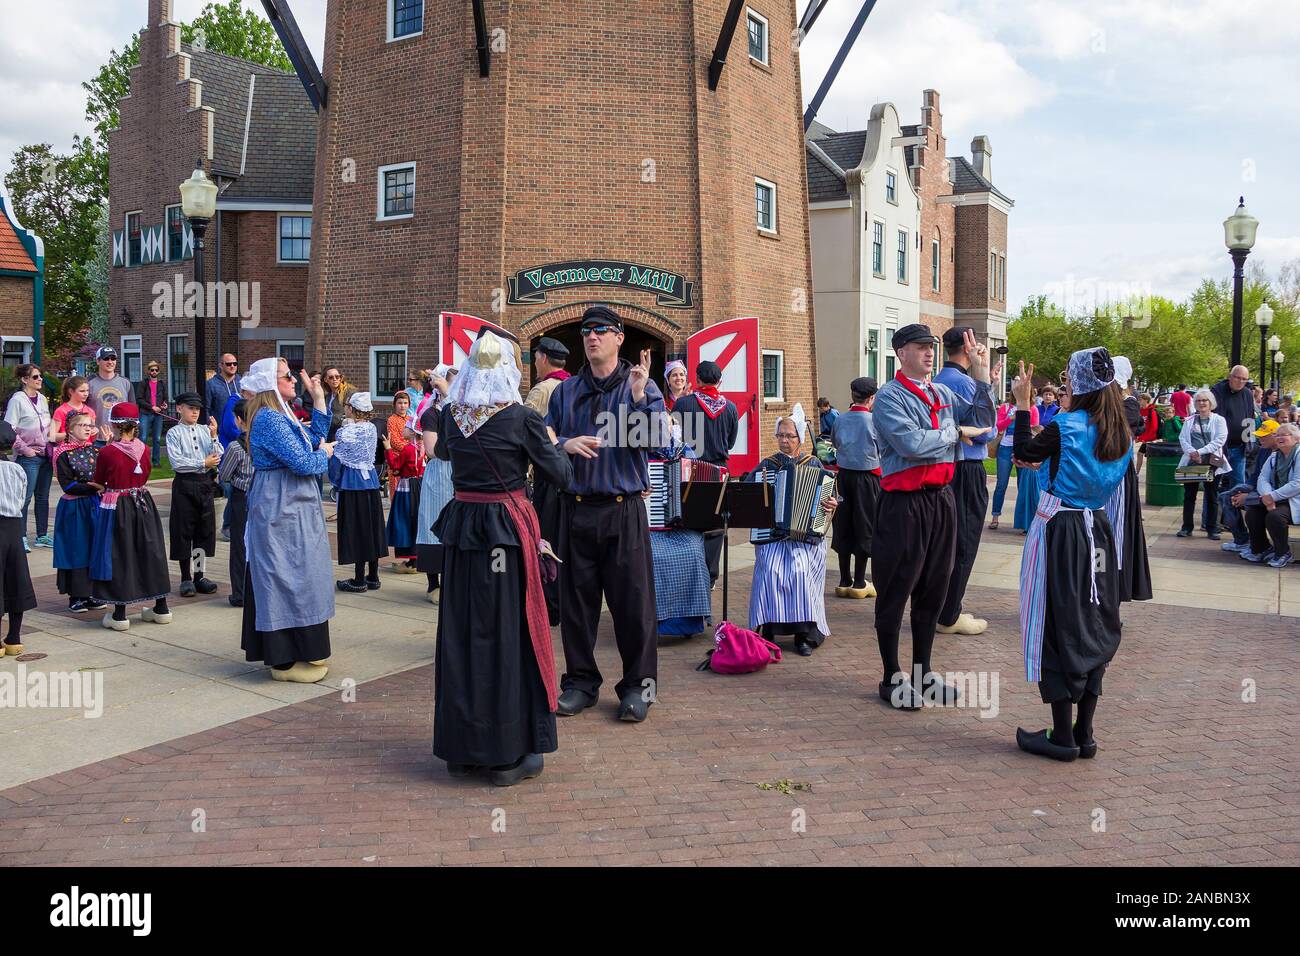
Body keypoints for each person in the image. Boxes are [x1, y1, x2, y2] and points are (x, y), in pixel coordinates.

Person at [431, 330, 573, 786]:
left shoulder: (454, 415)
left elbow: (446, 452)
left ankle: (464, 749)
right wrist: (557, 443)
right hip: (505, 534)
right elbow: (561, 474)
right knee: (509, 637)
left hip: (464, 528)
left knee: (464, 636)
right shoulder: (521, 418)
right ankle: (509, 753)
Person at [1011, 350, 1132, 762]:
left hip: (1061, 531)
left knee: (1058, 620)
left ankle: (1062, 735)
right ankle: (1085, 731)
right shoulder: (1121, 432)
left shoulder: (1066, 426)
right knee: (1095, 619)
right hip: (1097, 531)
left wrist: (1024, 404)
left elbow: (1025, 451)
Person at [546, 304, 664, 722]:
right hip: (575, 510)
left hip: (623, 509)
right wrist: (563, 444)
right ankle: (580, 683)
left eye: (600, 330)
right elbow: (543, 440)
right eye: (585, 332)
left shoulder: (641, 386)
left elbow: (659, 444)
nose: (591, 337)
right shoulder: (565, 392)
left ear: (618, 337)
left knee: (633, 606)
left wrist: (637, 400)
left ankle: (637, 687)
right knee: (576, 606)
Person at [871, 325, 996, 709]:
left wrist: (979, 377)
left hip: (942, 499)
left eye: (931, 347)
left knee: (935, 589)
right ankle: (892, 676)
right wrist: (955, 432)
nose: (929, 353)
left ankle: (924, 673)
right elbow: (910, 444)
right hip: (903, 504)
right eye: (920, 347)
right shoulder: (889, 398)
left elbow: (985, 425)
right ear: (900, 353)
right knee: (896, 589)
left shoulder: (941, 391)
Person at [242, 357, 335, 683]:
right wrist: (326, 454)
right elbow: (306, 461)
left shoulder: (283, 416)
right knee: (284, 574)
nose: (294, 381)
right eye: (286, 377)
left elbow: (313, 438)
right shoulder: (269, 419)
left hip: (293, 502)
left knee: (303, 572)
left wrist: (320, 399)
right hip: (280, 503)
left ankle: (306, 647)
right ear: (271, 385)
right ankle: (282, 660)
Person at [747, 407, 839, 656]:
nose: (784, 441)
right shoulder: (768, 465)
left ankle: (804, 634)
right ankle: (768, 628)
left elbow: (831, 498)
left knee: (800, 569)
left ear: (800, 438)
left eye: (790, 436)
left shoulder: (815, 464)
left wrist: (831, 504)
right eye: (781, 436)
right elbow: (747, 495)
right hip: (774, 536)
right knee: (770, 568)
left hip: (805, 537)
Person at [934, 327, 1002, 634]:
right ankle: (949, 613)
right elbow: (987, 429)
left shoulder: (937, 379)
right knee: (964, 543)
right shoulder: (965, 382)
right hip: (966, 468)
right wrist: (984, 382)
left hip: (942, 468)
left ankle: (940, 607)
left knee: (943, 543)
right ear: (968, 346)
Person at [90, 403, 172, 631]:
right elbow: (144, 474)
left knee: (119, 553)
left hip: (117, 504)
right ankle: (161, 606)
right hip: (143, 502)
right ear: (136, 425)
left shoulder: (108, 451)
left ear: (114, 426)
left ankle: (120, 613)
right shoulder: (144, 449)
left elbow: (99, 479)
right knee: (151, 550)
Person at [669, 359, 738, 585]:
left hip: (691, 469)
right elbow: (731, 441)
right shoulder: (730, 408)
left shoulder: (683, 404)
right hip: (719, 469)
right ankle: (710, 575)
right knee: (715, 524)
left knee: (689, 521)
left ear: (696, 379)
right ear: (719, 381)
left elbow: (674, 440)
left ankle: (690, 572)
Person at [524, 337, 571, 620]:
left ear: (542, 359)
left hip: (547, 476)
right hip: (568, 473)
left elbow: (521, 429)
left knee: (547, 540)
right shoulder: (573, 385)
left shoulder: (543, 389)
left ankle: (551, 605)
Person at [329, 392, 388, 593]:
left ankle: (358, 578)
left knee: (356, 530)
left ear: (352, 409)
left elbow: (337, 460)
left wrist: (336, 482)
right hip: (370, 482)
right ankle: (373, 575)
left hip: (352, 483)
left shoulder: (345, 433)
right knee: (372, 528)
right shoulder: (372, 428)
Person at [165, 392, 222, 596]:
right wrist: (202, 463)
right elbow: (177, 462)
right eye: (190, 408)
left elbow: (218, 455)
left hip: (204, 483)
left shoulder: (205, 431)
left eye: (197, 408)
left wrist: (214, 436)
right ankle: (185, 578)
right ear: (180, 408)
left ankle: (199, 575)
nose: (195, 411)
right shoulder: (174, 433)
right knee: (183, 531)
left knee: (203, 531)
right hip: (185, 483)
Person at [1108, 356, 1154, 602]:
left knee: (1115, 536)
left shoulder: (1129, 405)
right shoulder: (1109, 404)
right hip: (1103, 478)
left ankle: (1112, 598)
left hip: (1118, 480)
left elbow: (1111, 433)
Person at [830, 376, 880, 599]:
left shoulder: (839, 419)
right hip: (867, 479)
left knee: (843, 524)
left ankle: (843, 579)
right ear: (871, 398)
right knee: (864, 525)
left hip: (843, 478)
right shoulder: (874, 421)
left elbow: (835, 443)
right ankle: (860, 581)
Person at [51, 412, 106, 614]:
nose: (87, 428)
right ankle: (75, 596)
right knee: (76, 549)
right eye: (82, 425)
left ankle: (90, 594)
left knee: (93, 547)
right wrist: (94, 487)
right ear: (70, 429)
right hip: (74, 508)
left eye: (89, 425)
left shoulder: (95, 450)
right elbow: (68, 485)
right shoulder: (63, 453)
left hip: (93, 504)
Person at [4, 363, 53, 550]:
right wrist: (25, 450)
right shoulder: (17, 400)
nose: (40, 379)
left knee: (43, 497)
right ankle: (21, 536)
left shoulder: (42, 399)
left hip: (45, 455)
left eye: (40, 376)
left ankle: (42, 535)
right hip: (29, 456)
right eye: (35, 377)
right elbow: (9, 430)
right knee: (24, 498)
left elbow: (47, 426)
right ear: (25, 380)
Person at [416, 376, 454, 604]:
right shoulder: (433, 414)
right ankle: (434, 583)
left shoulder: (463, 410)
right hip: (440, 474)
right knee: (433, 524)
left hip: (457, 473)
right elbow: (432, 450)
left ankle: (452, 580)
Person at [1241, 423, 1299, 568]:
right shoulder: (1274, 456)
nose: (1279, 438)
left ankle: (1283, 553)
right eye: (1277, 435)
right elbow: (1263, 478)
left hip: (1294, 499)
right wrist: (1267, 497)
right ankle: (1262, 549)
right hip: (1274, 497)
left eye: (1283, 435)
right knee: (1253, 513)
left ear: (1296, 438)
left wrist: (1272, 497)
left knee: (1275, 517)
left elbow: (1297, 483)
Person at [0, 422, 36, 657]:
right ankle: (14, 637)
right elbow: (23, 499)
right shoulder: (17, 470)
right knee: (16, 578)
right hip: (14, 527)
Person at [1176, 388, 1229, 540]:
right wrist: (1192, 453)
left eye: (1204, 400)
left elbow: (1219, 440)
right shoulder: (1190, 420)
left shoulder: (1219, 420)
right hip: (1192, 462)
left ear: (1211, 402)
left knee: (1212, 495)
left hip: (1211, 462)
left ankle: (1212, 528)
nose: (1201, 403)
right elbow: (1183, 439)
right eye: (1198, 401)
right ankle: (1187, 527)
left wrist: (1200, 452)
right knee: (1189, 495)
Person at [1219, 419, 1279, 555]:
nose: (1259, 439)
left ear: (1275, 435)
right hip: (1258, 487)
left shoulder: (1281, 453)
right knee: (1227, 496)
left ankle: (1254, 544)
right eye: (1259, 436)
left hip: (1272, 493)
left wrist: (1248, 496)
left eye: (1264, 436)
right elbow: (1256, 475)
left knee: (1243, 502)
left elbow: (1275, 483)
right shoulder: (1263, 451)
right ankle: (1241, 540)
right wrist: (1246, 489)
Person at [219, 400, 254, 608]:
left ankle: (239, 593)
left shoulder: (235, 447)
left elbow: (224, 474)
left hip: (242, 496)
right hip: (263, 495)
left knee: (240, 546)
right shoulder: (263, 442)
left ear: (240, 419)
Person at [990, 396, 1037, 531]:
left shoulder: (1032, 408)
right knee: (1001, 484)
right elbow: (998, 427)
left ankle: (1025, 521)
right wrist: (1011, 418)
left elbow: (1035, 429)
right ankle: (995, 517)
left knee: (1023, 486)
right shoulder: (1005, 407)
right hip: (1005, 449)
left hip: (1023, 450)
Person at [384, 421, 424, 574]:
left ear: (413, 432)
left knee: (404, 520)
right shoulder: (422, 447)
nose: (403, 429)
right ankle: (415, 559)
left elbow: (395, 465)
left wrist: (388, 448)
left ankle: (411, 562)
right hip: (419, 485)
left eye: (407, 427)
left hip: (406, 488)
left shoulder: (408, 449)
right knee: (416, 520)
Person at [1211, 365, 1255, 494]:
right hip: (1218, 448)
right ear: (1230, 376)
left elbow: (1250, 417)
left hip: (1239, 447)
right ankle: (1210, 514)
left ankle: (1233, 514)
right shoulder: (1217, 391)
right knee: (1212, 486)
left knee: (1238, 486)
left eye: (1244, 379)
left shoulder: (1247, 393)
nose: (1241, 381)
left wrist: (1250, 443)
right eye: (1238, 378)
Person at [86, 346, 134, 441]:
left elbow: (133, 412)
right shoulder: (88, 383)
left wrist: (130, 434)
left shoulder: (126, 382)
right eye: (106, 358)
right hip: (95, 439)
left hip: (121, 438)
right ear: (98, 361)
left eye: (113, 358)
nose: (110, 362)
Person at [524, 337, 572, 416]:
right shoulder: (574, 386)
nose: (535, 363)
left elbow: (523, 424)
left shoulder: (541, 390)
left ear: (544, 359)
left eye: (536, 358)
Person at [133, 361, 169, 466]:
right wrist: (152, 407)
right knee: (143, 438)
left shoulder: (162, 384)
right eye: (152, 370)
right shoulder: (143, 383)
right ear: (148, 371)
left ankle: (156, 462)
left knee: (157, 439)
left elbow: (165, 398)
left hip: (158, 415)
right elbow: (139, 399)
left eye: (156, 370)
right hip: (145, 413)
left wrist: (164, 405)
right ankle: (141, 461)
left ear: (158, 371)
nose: (154, 371)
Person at [50, 376, 96, 445]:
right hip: (68, 451)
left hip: (86, 451)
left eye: (87, 390)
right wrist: (71, 435)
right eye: (82, 391)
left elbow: (92, 438)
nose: (86, 394)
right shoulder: (61, 410)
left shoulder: (90, 411)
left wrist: (95, 432)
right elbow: (51, 436)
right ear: (71, 391)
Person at [386, 391, 414, 498]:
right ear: (394, 404)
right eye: (400, 403)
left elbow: (415, 438)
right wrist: (411, 450)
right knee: (397, 491)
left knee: (410, 492)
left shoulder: (411, 419)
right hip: (397, 460)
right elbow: (394, 441)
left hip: (410, 462)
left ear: (409, 404)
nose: (402, 406)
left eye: (405, 403)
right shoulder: (391, 420)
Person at [205, 353, 242, 425]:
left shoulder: (242, 382)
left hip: (241, 431)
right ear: (221, 365)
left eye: (235, 363)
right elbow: (206, 409)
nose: (232, 366)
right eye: (228, 364)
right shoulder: (211, 384)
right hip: (220, 432)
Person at [323, 366, 355, 440]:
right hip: (329, 431)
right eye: (331, 377)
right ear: (325, 380)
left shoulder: (348, 392)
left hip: (344, 432)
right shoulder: (328, 396)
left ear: (340, 378)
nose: (335, 379)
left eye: (337, 377)